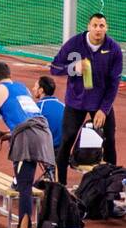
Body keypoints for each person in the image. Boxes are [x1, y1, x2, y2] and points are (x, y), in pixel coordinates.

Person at [0, 62, 55, 228]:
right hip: (43, 132)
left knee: (24, 187)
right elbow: (24, 119)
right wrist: (8, 136)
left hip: (27, 136)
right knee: (25, 181)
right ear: (9, 75)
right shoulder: (21, 87)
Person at [50, 13, 122, 183]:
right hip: (76, 101)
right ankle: (61, 185)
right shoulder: (74, 44)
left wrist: (103, 110)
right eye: (95, 25)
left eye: (102, 26)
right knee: (67, 140)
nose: (98, 29)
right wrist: (73, 68)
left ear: (107, 28)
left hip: (100, 102)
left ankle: (110, 186)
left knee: (109, 140)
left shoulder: (114, 49)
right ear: (88, 27)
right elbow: (54, 68)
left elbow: (114, 83)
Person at [33, 75, 65, 152]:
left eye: (35, 87)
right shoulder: (64, 106)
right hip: (63, 150)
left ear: (41, 90)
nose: (33, 89)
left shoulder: (38, 107)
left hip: (48, 151)